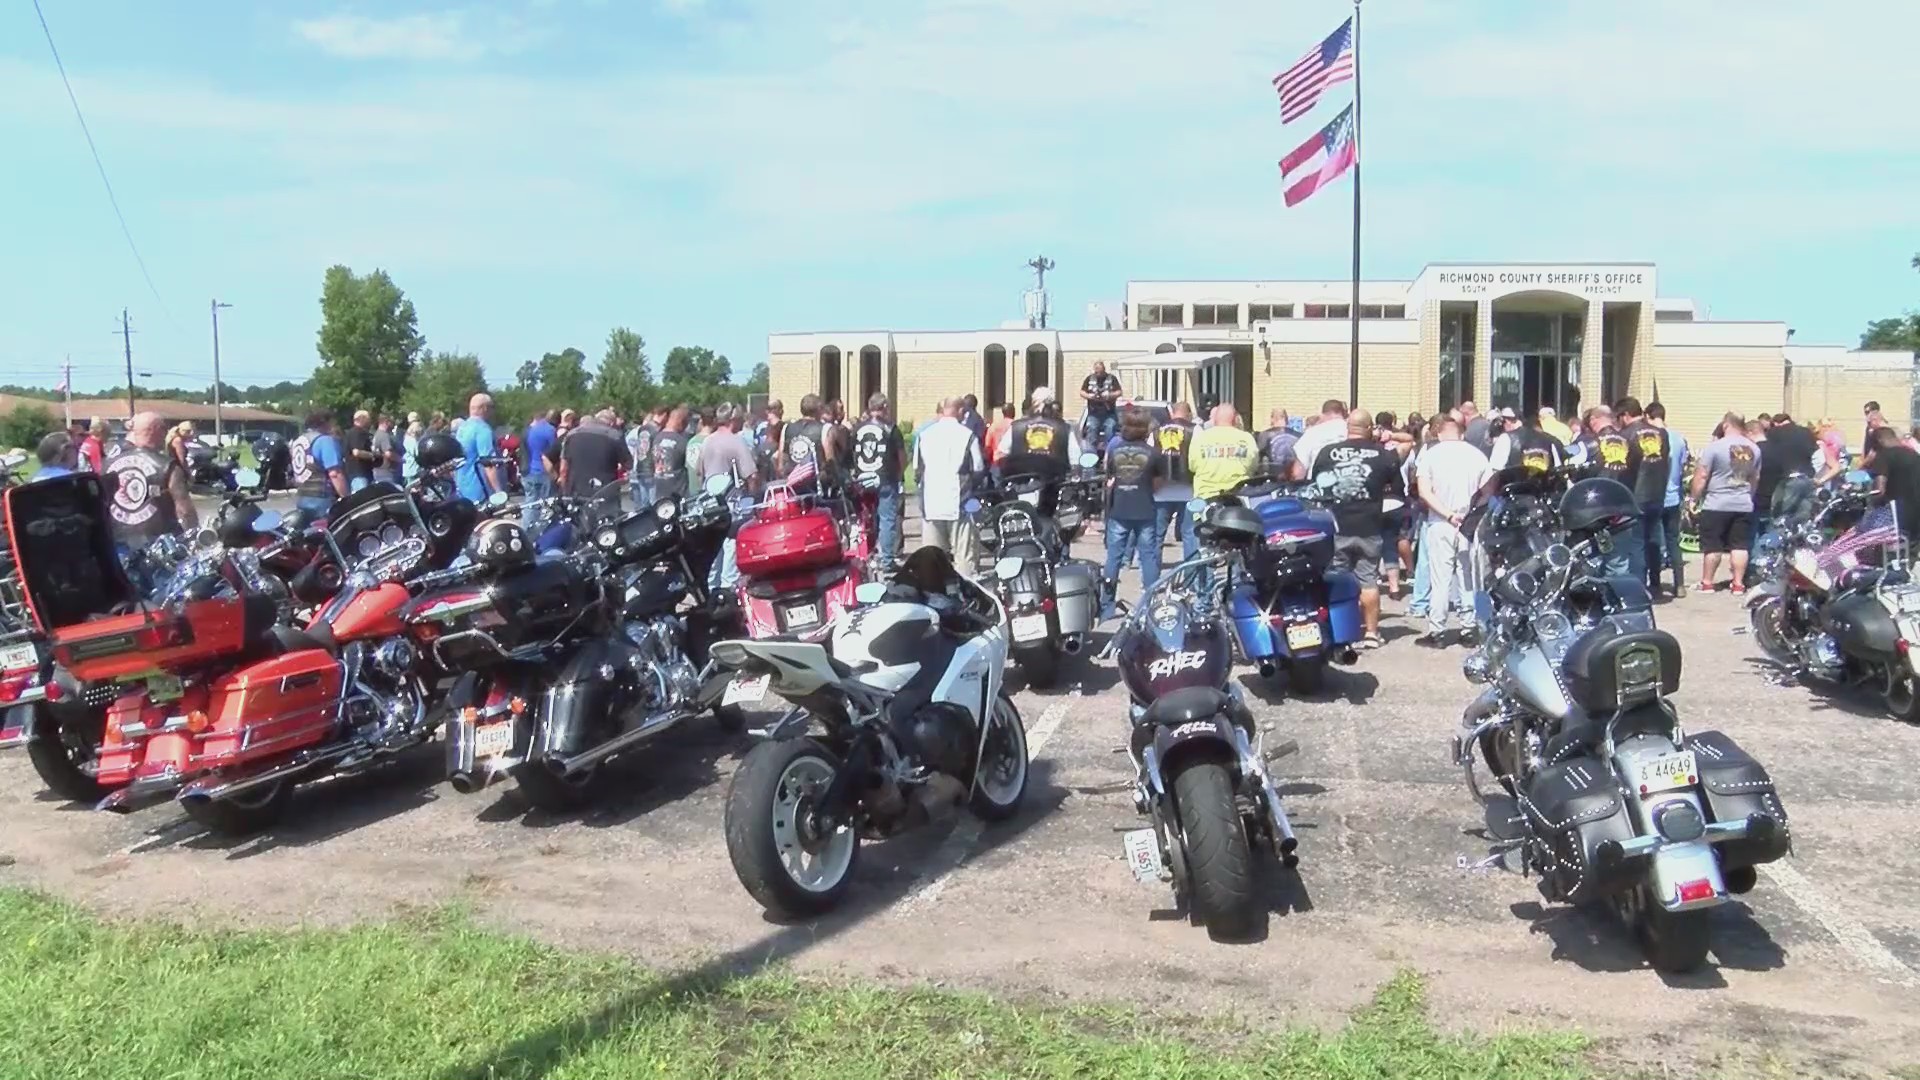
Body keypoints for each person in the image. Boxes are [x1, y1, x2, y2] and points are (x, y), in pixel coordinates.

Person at [1308, 412, 1401, 648]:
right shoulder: (1382, 455)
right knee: (1368, 579)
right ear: (1370, 428)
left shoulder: (1327, 453)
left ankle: (1339, 630)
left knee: (1336, 579)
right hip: (1369, 525)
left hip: (1337, 525)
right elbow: (1396, 488)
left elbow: (1315, 486)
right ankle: (1371, 632)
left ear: (1348, 427)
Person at [1414, 416, 1493, 646]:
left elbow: (1424, 492)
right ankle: (1469, 627)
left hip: (1441, 521)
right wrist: (1472, 511)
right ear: (1461, 433)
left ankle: (1437, 629)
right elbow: (1489, 488)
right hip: (1468, 521)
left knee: (1441, 579)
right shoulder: (1476, 455)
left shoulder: (1430, 455)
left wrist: (1448, 513)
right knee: (1467, 576)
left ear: (1439, 434)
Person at [1101, 408, 1162, 618]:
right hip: (1144, 507)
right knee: (1148, 556)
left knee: (1113, 558)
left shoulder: (1115, 451)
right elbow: (1157, 485)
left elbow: (1110, 478)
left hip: (1120, 507)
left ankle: (1106, 605)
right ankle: (1151, 601)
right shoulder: (1153, 453)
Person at [1690, 411, 1760, 594]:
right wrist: (1749, 496)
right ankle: (1738, 584)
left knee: (1712, 545)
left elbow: (1702, 475)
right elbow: (1755, 478)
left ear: (1726, 425)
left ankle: (1707, 583)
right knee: (1740, 545)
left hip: (1716, 503)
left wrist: (1694, 498)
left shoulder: (1715, 447)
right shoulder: (1754, 449)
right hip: (1743, 502)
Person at [699, 402, 763, 589]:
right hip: (732, 506)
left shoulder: (707, 441)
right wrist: (753, 498)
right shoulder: (736, 441)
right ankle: (729, 595)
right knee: (730, 551)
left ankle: (712, 593)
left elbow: (700, 472)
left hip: (710, 504)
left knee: (714, 554)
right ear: (733, 420)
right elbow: (751, 474)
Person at [913, 397, 983, 561]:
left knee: (933, 560)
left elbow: (917, 470)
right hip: (959, 503)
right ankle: (965, 585)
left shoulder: (925, 435)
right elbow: (978, 468)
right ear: (959, 411)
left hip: (931, 503)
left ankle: (934, 586)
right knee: (964, 556)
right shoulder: (967, 435)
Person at [1616, 398, 1670, 592]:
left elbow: (1622, 469)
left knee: (1636, 543)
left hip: (1635, 495)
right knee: (1654, 539)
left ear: (1625, 415)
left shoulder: (1625, 435)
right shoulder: (1662, 434)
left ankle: (1638, 587)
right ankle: (1655, 582)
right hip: (1657, 494)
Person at [850, 394, 907, 568]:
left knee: (866, 518)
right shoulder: (890, 428)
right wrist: (900, 472)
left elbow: (852, 452)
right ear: (883, 407)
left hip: (862, 478)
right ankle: (887, 559)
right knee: (887, 518)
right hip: (885, 478)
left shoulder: (858, 428)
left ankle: (868, 553)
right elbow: (902, 456)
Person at [1648, 402, 1688, 598]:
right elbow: (1682, 467)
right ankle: (1679, 583)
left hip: (1654, 496)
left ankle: (1655, 583)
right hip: (1673, 495)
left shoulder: (1649, 438)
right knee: (1674, 541)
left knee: (1654, 541)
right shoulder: (1679, 439)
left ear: (1648, 416)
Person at [1154, 402, 1198, 560]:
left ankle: (1152, 577)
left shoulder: (1157, 429)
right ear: (1189, 414)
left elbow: (1150, 456)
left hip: (1161, 488)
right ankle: (1191, 576)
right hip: (1187, 486)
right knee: (1190, 533)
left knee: (1157, 535)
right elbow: (1197, 458)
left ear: (1172, 413)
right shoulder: (1195, 429)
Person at [1187, 403, 1258, 501]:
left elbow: (1192, 466)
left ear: (1214, 419)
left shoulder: (1200, 438)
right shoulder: (1246, 438)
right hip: (1238, 496)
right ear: (1234, 419)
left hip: (1206, 496)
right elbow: (1253, 465)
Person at [557, 407, 631, 498]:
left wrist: (565, 491)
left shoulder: (571, 435)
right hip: (605, 492)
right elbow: (628, 465)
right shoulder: (615, 436)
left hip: (576, 492)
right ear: (612, 423)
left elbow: (563, 469)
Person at [1866, 426, 1920, 543]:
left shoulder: (1884, 456)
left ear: (1879, 440)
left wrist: (1870, 502)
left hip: (1897, 516)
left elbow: (1879, 490)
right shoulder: (1914, 455)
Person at [778, 395, 838, 491]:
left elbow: (781, 461)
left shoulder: (786, 428)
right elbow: (830, 460)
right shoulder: (824, 429)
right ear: (819, 409)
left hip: (792, 486)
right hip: (817, 487)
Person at [454, 394, 501, 504]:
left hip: (461, 487)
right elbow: (488, 463)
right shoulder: (483, 429)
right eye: (492, 407)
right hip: (480, 489)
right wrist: (498, 492)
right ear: (485, 408)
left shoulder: (462, 428)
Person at [1288, 400, 1350, 482]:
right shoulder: (1351, 431)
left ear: (1323, 414)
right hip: (1348, 485)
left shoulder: (1313, 433)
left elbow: (1298, 472)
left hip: (1318, 486)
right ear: (1342, 413)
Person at [520, 408, 558, 522]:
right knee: (546, 506)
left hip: (530, 471)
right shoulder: (550, 430)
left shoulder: (530, 430)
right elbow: (554, 450)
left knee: (530, 504)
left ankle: (526, 530)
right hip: (544, 471)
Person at [1079, 360, 1123, 452]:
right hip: (1093, 413)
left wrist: (1109, 395)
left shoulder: (1112, 378)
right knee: (1091, 431)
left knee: (1110, 430)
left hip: (1109, 413)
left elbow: (1119, 392)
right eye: (1096, 371)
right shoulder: (1089, 379)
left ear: (1104, 369)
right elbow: (1082, 392)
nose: (1098, 373)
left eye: (1100, 371)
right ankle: (1091, 456)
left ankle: (1109, 455)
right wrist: (1089, 396)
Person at [651, 406, 692, 501]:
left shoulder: (656, 438)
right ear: (681, 422)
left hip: (659, 489)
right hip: (678, 492)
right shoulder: (682, 441)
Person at [624, 406, 660, 508]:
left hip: (635, 471)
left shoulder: (632, 433)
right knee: (650, 501)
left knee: (639, 505)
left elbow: (629, 451)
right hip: (646, 471)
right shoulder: (653, 432)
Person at [338, 410, 374, 494]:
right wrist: (373, 455)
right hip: (360, 473)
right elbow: (356, 452)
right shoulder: (358, 432)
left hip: (353, 473)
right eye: (368, 419)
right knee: (362, 500)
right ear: (363, 419)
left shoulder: (349, 433)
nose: (370, 422)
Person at [1256, 408, 1297, 477]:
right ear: (1286, 419)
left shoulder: (1265, 435)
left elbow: (1258, 459)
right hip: (1293, 475)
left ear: (1272, 419)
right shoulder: (1297, 435)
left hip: (1273, 477)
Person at [985, 402, 1015, 470]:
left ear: (1003, 413)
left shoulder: (994, 426)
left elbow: (988, 447)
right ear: (1013, 412)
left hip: (997, 462)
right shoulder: (1016, 426)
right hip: (1013, 463)